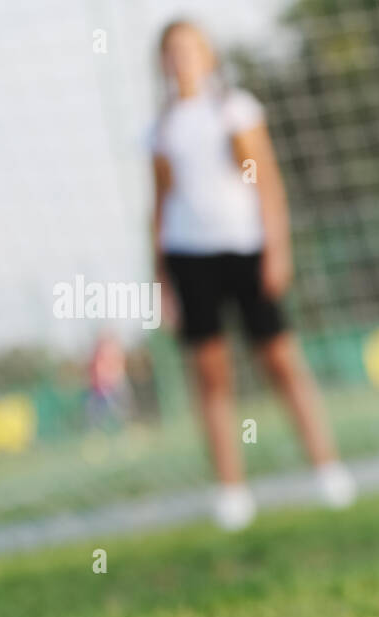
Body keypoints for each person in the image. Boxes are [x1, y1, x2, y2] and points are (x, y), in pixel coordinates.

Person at [151, 20, 355, 531]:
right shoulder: (163, 127)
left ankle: (328, 469)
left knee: (281, 360)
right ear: (162, 61)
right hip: (188, 258)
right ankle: (231, 491)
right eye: (172, 52)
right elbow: (158, 206)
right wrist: (162, 280)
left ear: (208, 55)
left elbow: (265, 183)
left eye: (190, 49)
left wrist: (276, 250)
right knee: (211, 376)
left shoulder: (234, 110)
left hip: (244, 249)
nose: (182, 59)